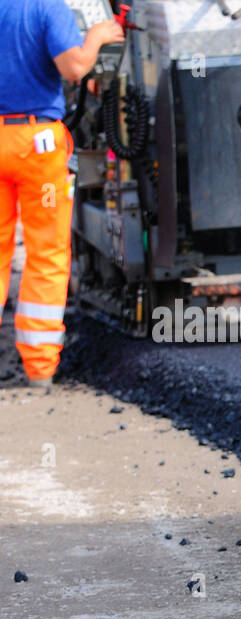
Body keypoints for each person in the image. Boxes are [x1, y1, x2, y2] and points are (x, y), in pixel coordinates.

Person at [0, 1, 123, 387]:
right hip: (38, 146)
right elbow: (73, 68)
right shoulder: (47, 7)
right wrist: (98, 37)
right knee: (46, 252)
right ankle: (39, 370)